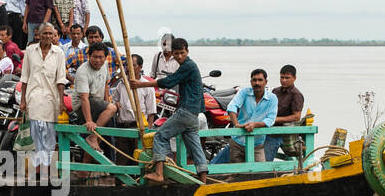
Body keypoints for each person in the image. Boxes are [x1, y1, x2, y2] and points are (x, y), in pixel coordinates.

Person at [130, 38, 207, 183]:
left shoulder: (188, 66)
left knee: (160, 136)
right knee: (196, 147)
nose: (179, 56)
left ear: (187, 52)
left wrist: (140, 84)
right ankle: (203, 180)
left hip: (186, 111)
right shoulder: (188, 66)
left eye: (182, 53)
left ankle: (159, 173)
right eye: (176, 53)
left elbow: (169, 81)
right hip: (194, 114)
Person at [18, 22, 68, 181]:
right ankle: (36, 169)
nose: (47, 36)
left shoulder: (58, 52)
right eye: (44, 33)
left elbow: (61, 78)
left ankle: (46, 168)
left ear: (54, 35)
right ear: (38, 34)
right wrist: (23, 100)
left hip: (51, 98)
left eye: (50, 34)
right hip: (33, 96)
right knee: (34, 134)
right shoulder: (31, 51)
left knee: (49, 134)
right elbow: (24, 76)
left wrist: (61, 101)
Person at [213, 68, 277, 164]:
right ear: (251, 82)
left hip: (257, 144)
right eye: (254, 80)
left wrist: (255, 124)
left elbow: (271, 119)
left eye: (260, 80)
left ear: (266, 82)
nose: (257, 83)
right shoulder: (244, 93)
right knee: (236, 172)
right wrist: (236, 124)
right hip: (237, 141)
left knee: (260, 172)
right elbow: (232, 106)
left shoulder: (272, 98)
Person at [73, 42, 119, 153]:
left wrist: (106, 101)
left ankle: (83, 170)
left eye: (100, 57)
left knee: (98, 142)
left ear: (105, 57)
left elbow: (105, 84)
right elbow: (84, 98)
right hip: (82, 104)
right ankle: (93, 136)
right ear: (89, 56)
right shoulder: (83, 71)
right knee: (112, 108)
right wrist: (89, 121)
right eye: (94, 57)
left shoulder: (105, 65)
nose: (98, 60)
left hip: (97, 102)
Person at [264, 65, 305, 162]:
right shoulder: (275, 91)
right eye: (282, 77)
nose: (284, 80)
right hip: (268, 128)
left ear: (294, 78)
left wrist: (275, 119)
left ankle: (264, 172)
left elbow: (296, 117)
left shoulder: (296, 95)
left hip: (282, 132)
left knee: (266, 158)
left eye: (287, 78)